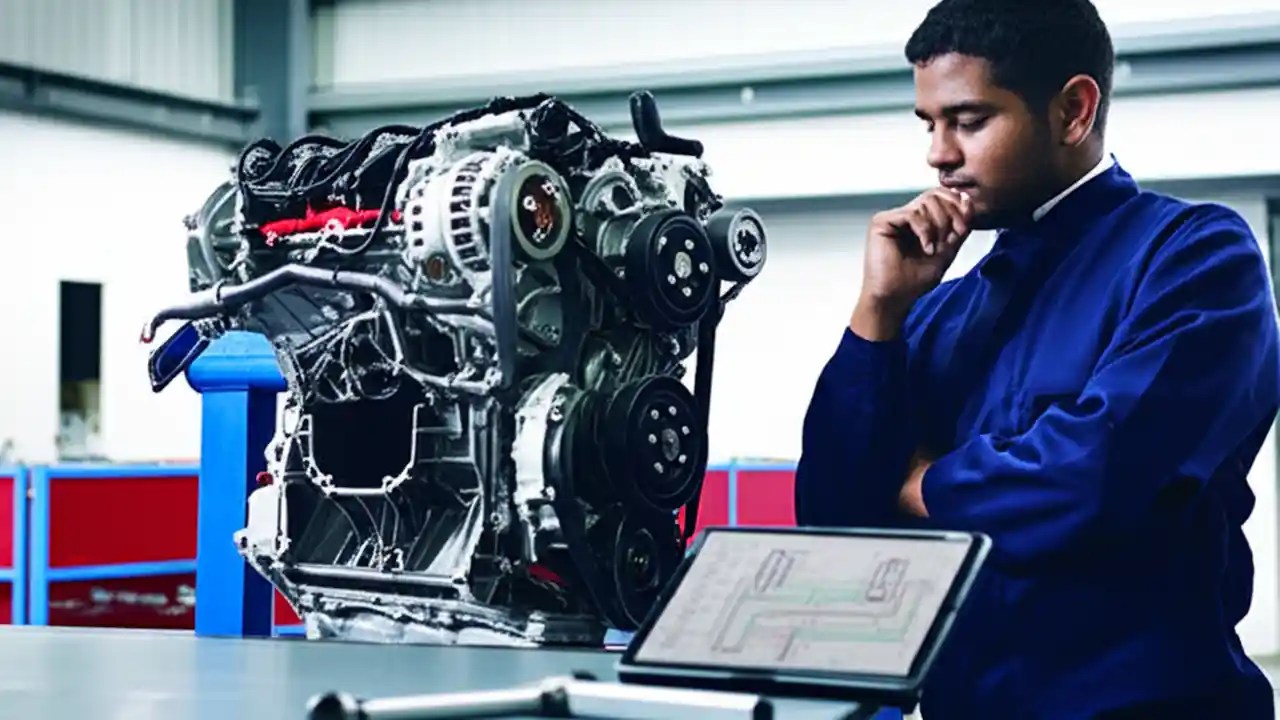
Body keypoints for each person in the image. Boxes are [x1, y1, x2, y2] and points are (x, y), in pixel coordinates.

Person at [793, 0, 1280, 717]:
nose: (938, 153)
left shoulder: (1194, 255)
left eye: (969, 120)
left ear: (1073, 111)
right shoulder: (937, 308)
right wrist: (880, 310)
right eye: (929, 124)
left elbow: (1094, 476)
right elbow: (834, 518)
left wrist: (919, 485)